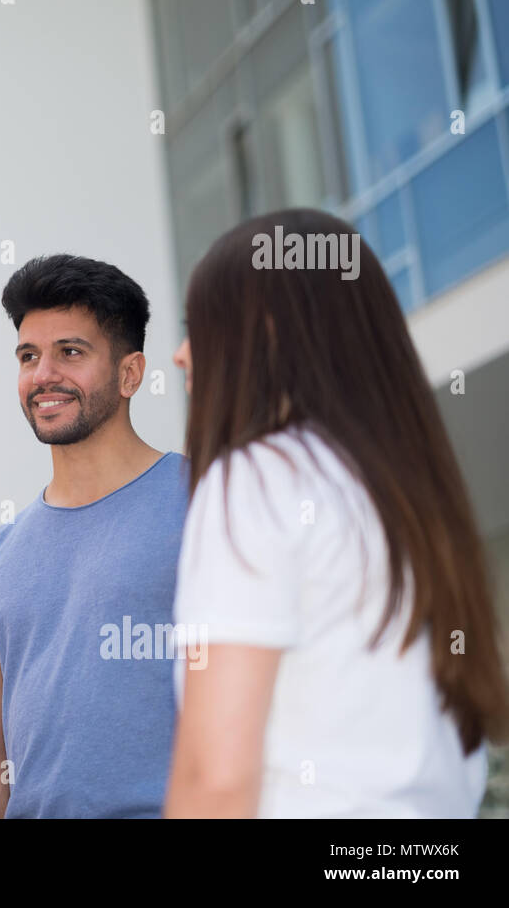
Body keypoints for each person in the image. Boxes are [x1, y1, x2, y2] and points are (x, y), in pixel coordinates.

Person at [165, 207, 509, 817]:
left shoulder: (259, 481)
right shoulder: (408, 499)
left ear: (266, 331)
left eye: (202, 325)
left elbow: (216, 783)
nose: (181, 354)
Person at [0, 255, 191, 818]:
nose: (43, 375)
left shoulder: (210, 501)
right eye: (29, 356)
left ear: (130, 374)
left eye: (70, 352)